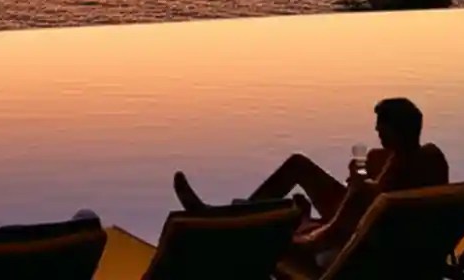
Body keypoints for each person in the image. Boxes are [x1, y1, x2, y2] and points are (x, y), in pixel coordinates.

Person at [173, 97, 447, 258]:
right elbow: (390, 181)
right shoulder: (431, 158)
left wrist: (301, 224)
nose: (377, 134)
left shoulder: (375, 189)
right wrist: (366, 173)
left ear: (395, 131)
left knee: (295, 174)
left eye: (381, 131)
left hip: (360, 240)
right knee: (299, 165)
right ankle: (234, 214)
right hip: (388, 237)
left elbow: (332, 232)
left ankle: (233, 222)